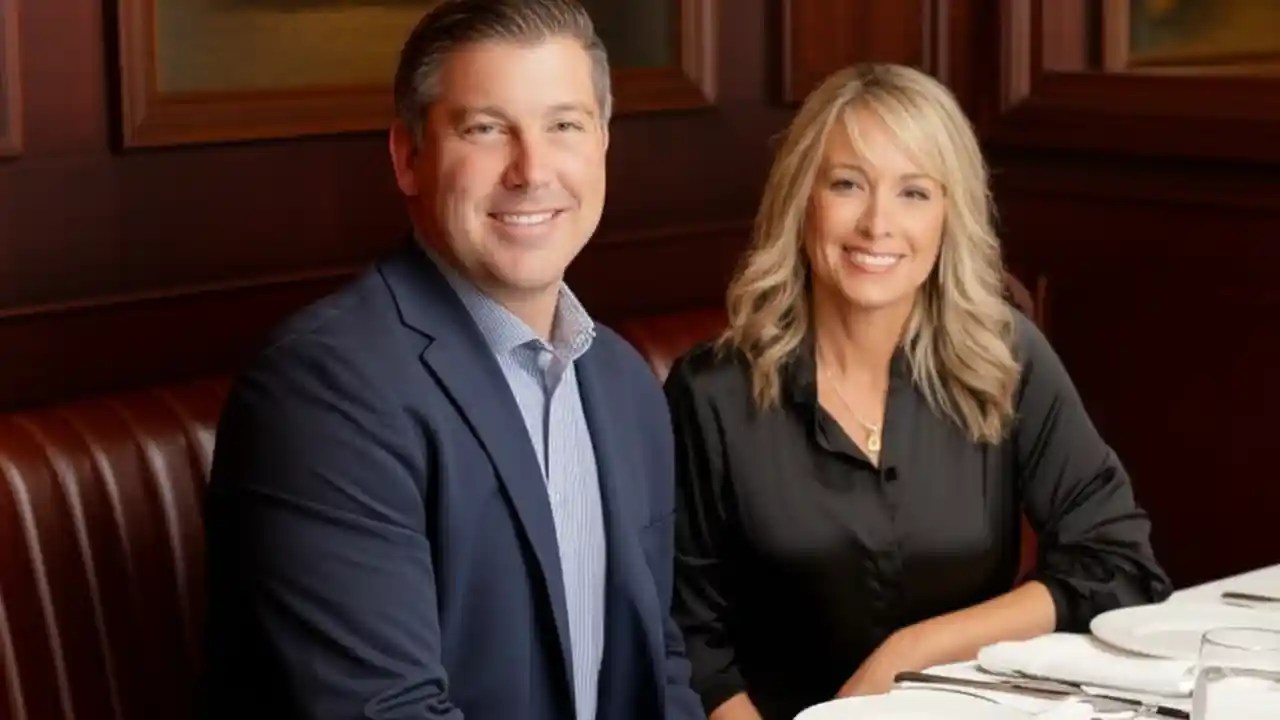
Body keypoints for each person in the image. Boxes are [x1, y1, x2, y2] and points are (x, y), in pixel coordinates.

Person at [199, 2, 703, 719]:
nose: (532, 170)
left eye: (564, 125)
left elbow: (658, 666)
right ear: (408, 157)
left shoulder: (623, 383)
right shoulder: (323, 393)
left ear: (602, 143)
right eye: (486, 129)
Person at [663, 63, 1172, 720]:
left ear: (948, 215)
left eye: (914, 192)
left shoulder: (1004, 356)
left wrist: (915, 648)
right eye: (848, 184)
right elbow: (687, 641)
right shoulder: (711, 394)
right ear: (801, 200)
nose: (878, 223)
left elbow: (1118, 564)